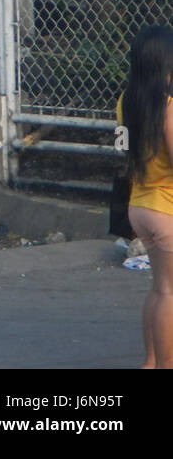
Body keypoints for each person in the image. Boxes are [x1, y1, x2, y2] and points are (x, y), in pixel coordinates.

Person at [117, 26, 173, 369]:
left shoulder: (126, 101)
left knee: (158, 289)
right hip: (166, 209)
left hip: (139, 205)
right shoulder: (168, 108)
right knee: (170, 293)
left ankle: (151, 362)